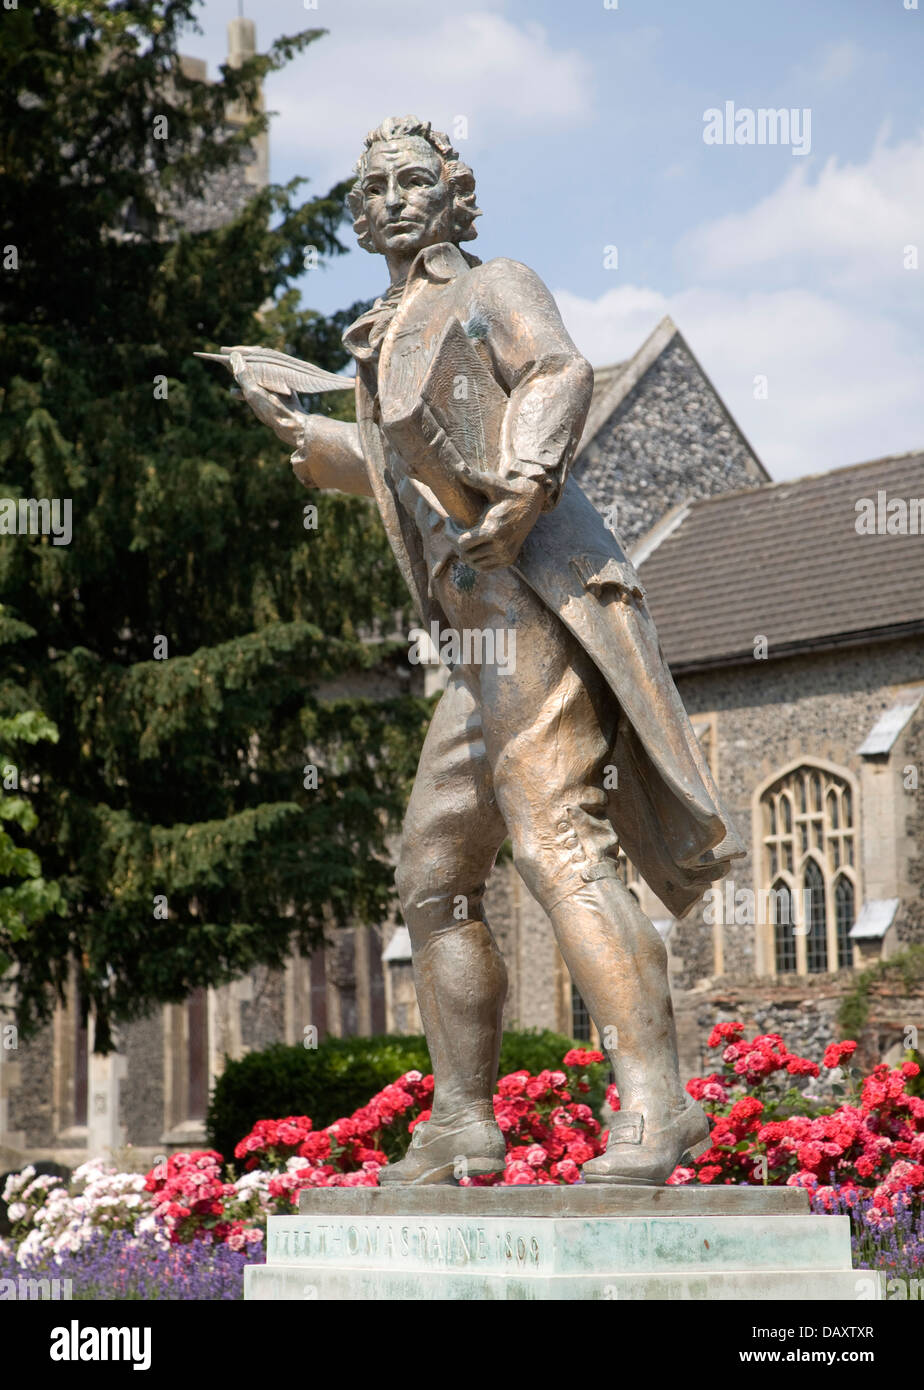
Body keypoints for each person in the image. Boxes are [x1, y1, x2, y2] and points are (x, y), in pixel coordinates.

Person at [232, 116, 744, 1185]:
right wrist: (296, 436)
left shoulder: (490, 286)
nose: (393, 199)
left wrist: (527, 478)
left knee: (557, 838)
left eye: (415, 180)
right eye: (374, 187)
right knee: (432, 866)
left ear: (453, 196)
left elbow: (557, 367)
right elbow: (386, 470)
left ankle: (656, 1104)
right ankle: (464, 1117)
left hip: (536, 600)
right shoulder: (383, 336)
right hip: (472, 642)